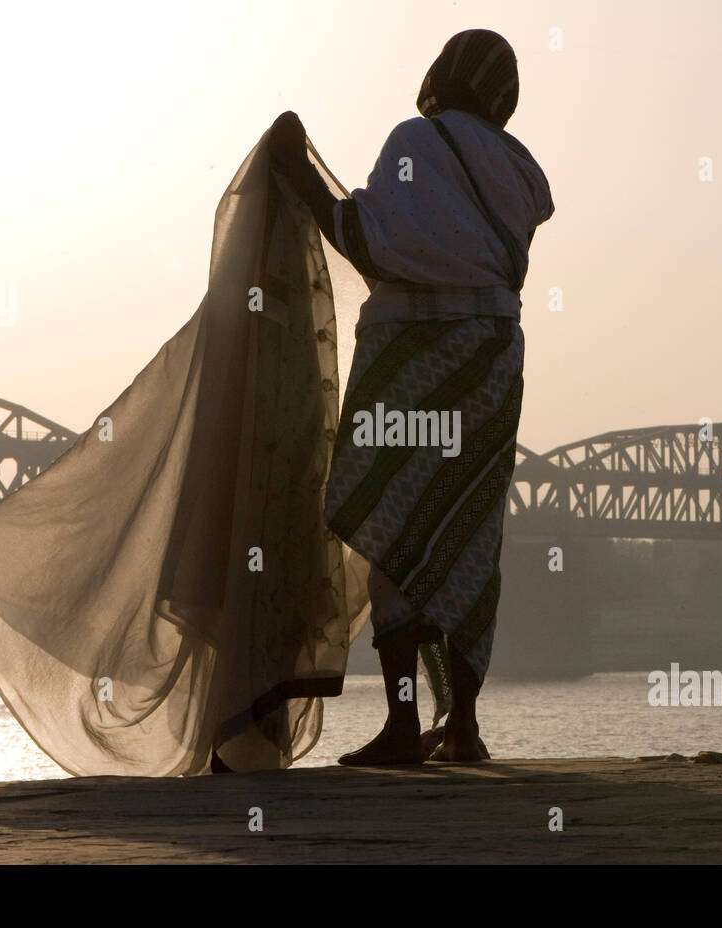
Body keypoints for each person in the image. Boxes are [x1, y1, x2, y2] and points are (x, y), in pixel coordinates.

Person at [269, 28, 554, 764]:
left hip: (409, 364)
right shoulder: (521, 169)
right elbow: (466, 254)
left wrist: (299, 174)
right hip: (490, 368)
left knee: (393, 530)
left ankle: (403, 724)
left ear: (443, 73)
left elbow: (367, 239)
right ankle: (463, 727)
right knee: (470, 537)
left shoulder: (416, 143)